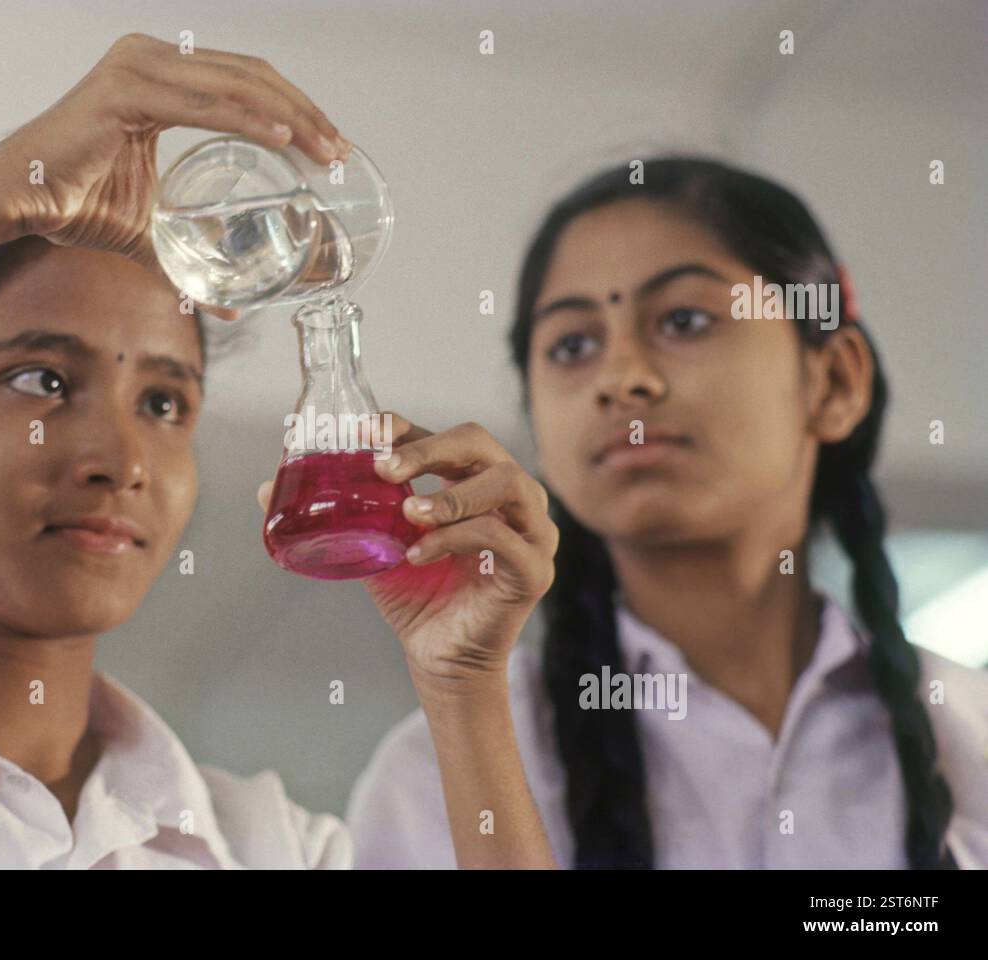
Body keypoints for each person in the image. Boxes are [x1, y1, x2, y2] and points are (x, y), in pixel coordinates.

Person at [0, 34, 559, 869]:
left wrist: (464, 687)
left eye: (162, 401)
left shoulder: (265, 845)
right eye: (42, 381)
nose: (122, 457)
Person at [347, 157, 988, 869]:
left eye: (684, 320)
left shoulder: (972, 736)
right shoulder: (442, 769)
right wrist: (463, 699)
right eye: (573, 346)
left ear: (834, 380)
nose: (622, 380)